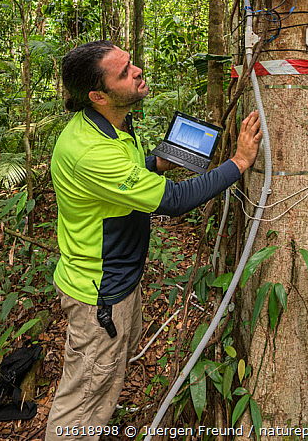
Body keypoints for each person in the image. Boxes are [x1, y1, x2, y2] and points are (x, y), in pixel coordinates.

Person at [45, 40, 262, 441]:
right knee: (83, 398)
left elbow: (121, 177)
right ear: (98, 95)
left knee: (105, 381)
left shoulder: (111, 124)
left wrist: (157, 163)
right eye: (124, 72)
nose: (137, 70)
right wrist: (240, 163)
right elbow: (174, 201)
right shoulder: (90, 149)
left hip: (118, 283)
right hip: (100, 295)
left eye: (131, 63)